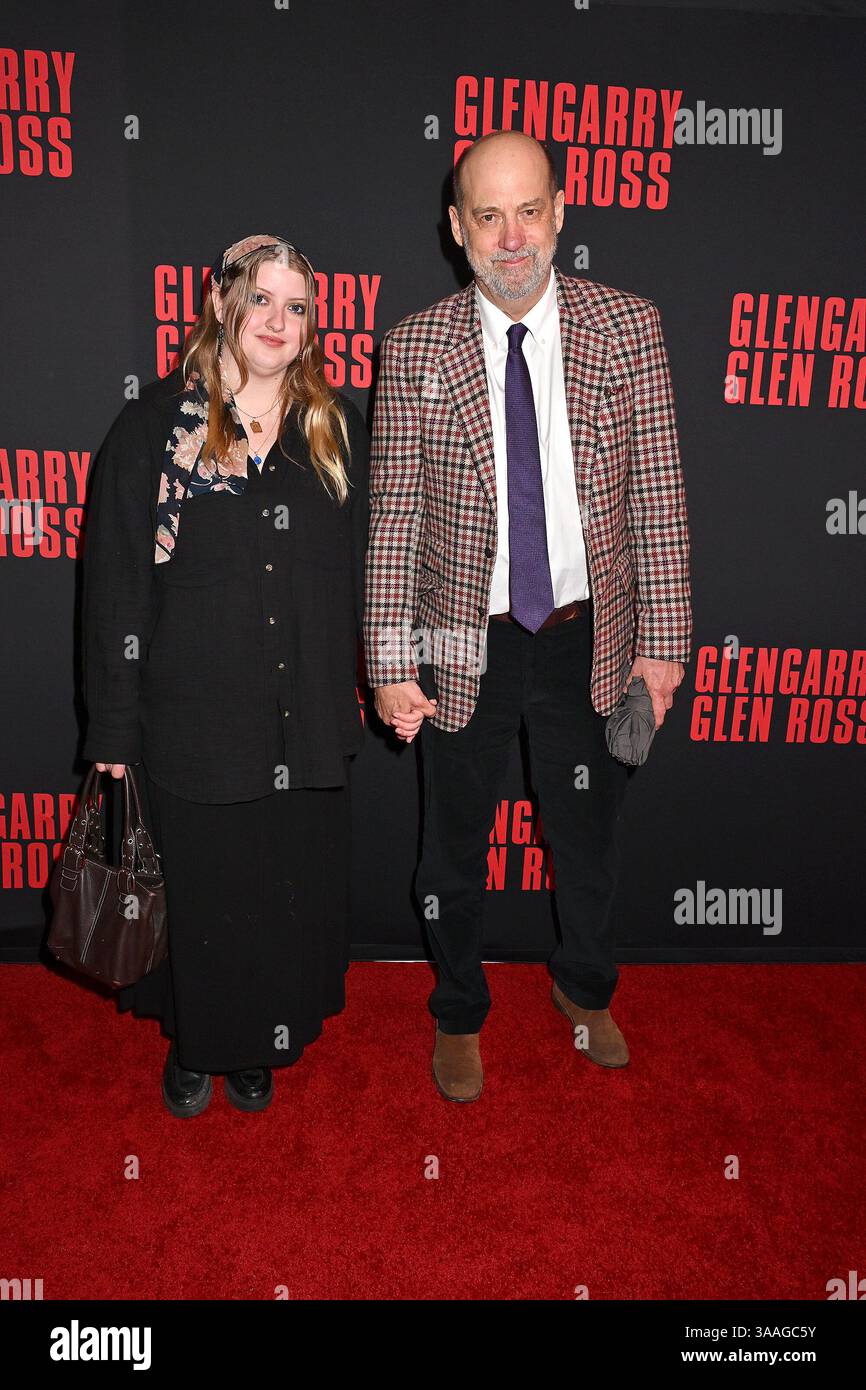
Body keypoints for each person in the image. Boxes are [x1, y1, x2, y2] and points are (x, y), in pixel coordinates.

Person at [364, 131, 692, 1102]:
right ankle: (459, 1009)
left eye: (526, 210)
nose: (510, 236)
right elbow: (392, 520)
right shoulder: (413, 345)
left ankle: (584, 991)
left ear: (558, 212)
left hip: (589, 631)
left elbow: (660, 501)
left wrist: (665, 647)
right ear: (455, 228)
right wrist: (390, 660)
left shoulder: (628, 327)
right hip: (460, 631)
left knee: (585, 836)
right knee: (450, 844)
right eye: (486, 214)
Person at [81, 233, 370, 1116]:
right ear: (222, 304)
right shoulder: (153, 431)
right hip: (195, 723)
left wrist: (392, 670)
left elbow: (376, 566)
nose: (277, 321)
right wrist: (115, 734)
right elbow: (116, 589)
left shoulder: (336, 429)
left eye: (297, 306)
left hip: (306, 720)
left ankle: (259, 1040)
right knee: (206, 897)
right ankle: (200, 1045)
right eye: (261, 299)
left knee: (280, 895)